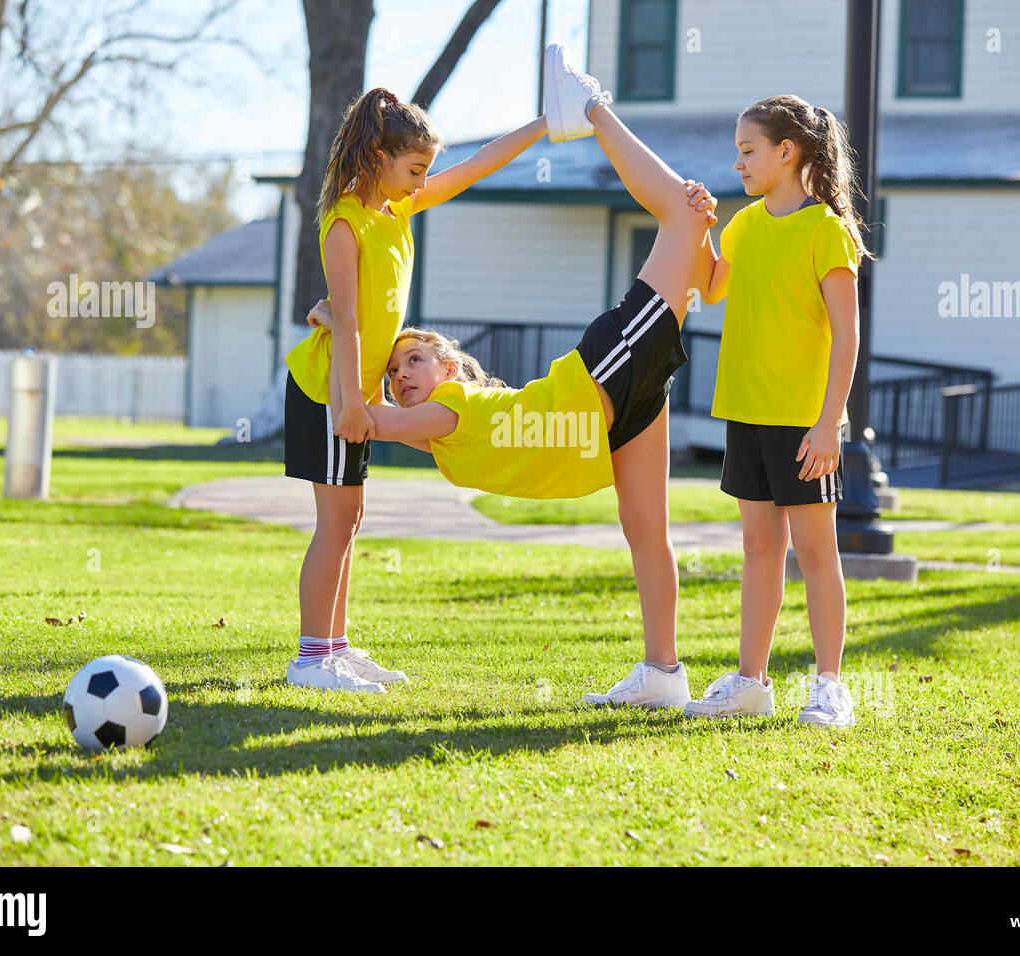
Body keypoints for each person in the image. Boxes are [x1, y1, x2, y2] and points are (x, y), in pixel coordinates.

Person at [326, 45, 718, 708]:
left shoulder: (447, 409)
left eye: (415, 359)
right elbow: (375, 415)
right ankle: (663, 673)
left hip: (597, 377)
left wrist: (346, 375)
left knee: (679, 215)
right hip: (617, 411)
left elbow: (371, 419)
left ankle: (592, 107)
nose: (402, 374)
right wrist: (349, 356)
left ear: (452, 367)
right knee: (647, 529)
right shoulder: (436, 431)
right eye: (395, 371)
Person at [283, 87, 550, 693]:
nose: (420, 182)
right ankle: (310, 659)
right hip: (328, 391)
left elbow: (479, 165)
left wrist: (542, 125)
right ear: (378, 156)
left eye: (426, 171)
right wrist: (353, 402)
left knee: (350, 520)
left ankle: (336, 648)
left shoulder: (396, 210)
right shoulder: (346, 222)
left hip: (351, 392)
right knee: (335, 523)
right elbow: (347, 320)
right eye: (413, 170)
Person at [681, 94, 871, 726]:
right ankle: (751, 682)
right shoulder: (744, 223)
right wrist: (699, 226)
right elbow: (709, 286)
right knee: (761, 547)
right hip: (747, 411)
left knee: (818, 553)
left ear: (786, 152)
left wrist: (828, 423)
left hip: (803, 420)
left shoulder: (826, 230)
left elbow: (847, 335)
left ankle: (829, 687)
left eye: (747, 150)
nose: (738, 163)